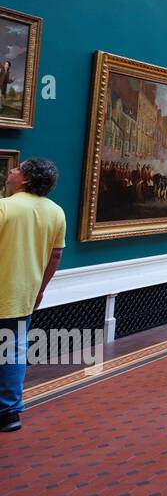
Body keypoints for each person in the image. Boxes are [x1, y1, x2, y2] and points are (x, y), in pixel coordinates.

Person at [0, 158, 67, 431]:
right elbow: (56, 256)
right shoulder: (56, 213)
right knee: (12, 352)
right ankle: (9, 414)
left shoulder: (5, 207)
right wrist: (40, 290)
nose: (11, 171)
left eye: (17, 169)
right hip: (24, 294)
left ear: (25, 179)